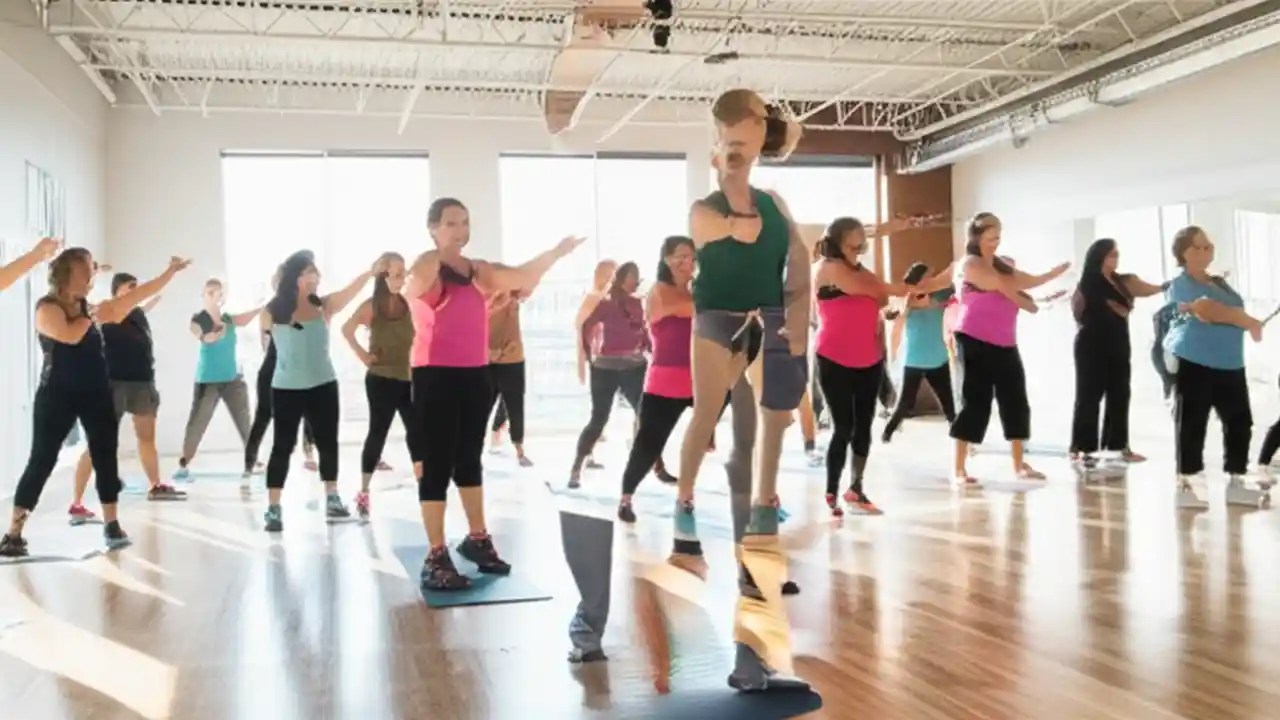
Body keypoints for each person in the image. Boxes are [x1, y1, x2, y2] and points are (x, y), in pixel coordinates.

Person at [406, 197, 582, 590]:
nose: (459, 230)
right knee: (435, 466)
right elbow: (412, 284)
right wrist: (436, 253)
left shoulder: (478, 272)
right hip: (434, 374)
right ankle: (436, 555)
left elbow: (520, 275)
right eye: (450, 223)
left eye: (464, 223)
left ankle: (477, 538)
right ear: (433, 227)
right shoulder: (428, 267)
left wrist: (556, 252)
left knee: (469, 459)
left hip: (474, 373)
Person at [1, 249, 188, 557]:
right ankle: (13, 533)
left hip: (96, 392)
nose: (92, 276)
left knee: (105, 456)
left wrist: (169, 273)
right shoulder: (46, 308)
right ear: (69, 274)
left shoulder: (92, 310)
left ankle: (111, 524)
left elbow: (136, 297)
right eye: (87, 270)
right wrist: (93, 314)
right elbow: (69, 334)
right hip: (55, 395)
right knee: (42, 460)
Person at [813, 218, 951, 516]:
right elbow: (880, 291)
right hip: (834, 358)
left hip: (869, 358)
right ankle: (831, 491)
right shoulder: (827, 268)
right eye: (854, 243)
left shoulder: (862, 271)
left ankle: (856, 488)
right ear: (837, 243)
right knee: (843, 427)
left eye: (862, 242)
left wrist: (899, 288)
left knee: (864, 426)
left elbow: (884, 295)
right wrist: (895, 288)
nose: (860, 248)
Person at [949, 213, 1070, 486]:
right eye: (991, 237)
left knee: (1015, 399)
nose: (995, 242)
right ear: (977, 237)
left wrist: (1050, 276)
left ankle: (1019, 463)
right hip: (974, 338)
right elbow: (1002, 286)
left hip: (1005, 341)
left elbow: (1024, 280)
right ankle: (959, 467)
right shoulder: (969, 265)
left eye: (999, 237)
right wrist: (1029, 302)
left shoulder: (1004, 264)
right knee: (976, 401)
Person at [260, 251, 373, 531]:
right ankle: (273, 507)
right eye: (310, 271)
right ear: (296, 277)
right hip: (286, 388)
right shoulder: (272, 311)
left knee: (327, 443)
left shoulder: (324, 306)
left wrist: (371, 273)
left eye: (317, 272)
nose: (317, 276)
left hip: (323, 384)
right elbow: (268, 350)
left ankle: (332, 498)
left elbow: (350, 291)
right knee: (282, 447)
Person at [617, 236, 725, 522]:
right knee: (648, 444)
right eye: (679, 256)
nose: (686, 262)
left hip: (698, 377)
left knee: (733, 389)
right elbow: (693, 307)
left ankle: (707, 435)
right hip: (665, 380)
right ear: (666, 259)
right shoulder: (660, 291)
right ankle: (626, 498)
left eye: (691, 256)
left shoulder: (696, 290)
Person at [1163, 226, 1268, 509]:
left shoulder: (1220, 283)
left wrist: (1244, 319)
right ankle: (1186, 483)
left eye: (1207, 246)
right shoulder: (1181, 284)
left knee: (1240, 423)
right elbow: (1206, 310)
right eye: (1197, 247)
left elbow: (1229, 310)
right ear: (1183, 253)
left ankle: (1236, 481)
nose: (1205, 251)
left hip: (1231, 362)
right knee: (1192, 423)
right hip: (1196, 361)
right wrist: (1242, 320)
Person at [69, 274, 181, 522]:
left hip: (142, 382)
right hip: (112, 384)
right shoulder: (104, 311)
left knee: (147, 438)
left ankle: (155, 485)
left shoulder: (139, 313)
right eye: (130, 287)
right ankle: (76, 502)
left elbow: (150, 298)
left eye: (136, 287)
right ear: (117, 290)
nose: (135, 290)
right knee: (98, 443)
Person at [1068, 238, 1166, 468]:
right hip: (1091, 344)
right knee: (1089, 395)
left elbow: (1144, 290)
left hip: (1118, 343)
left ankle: (1118, 445)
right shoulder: (1090, 281)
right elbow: (1089, 310)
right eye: (1111, 253)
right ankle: (1083, 448)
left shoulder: (1121, 282)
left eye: (1117, 253)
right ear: (1099, 256)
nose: (1116, 257)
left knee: (1120, 393)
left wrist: (1166, 286)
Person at [342, 251, 424, 521]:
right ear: (383, 275)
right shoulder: (371, 306)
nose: (402, 276)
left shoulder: (407, 303)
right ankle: (364, 491)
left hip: (406, 378)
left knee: (417, 433)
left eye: (403, 271)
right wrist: (364, 356)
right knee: (378, 432)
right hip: (380, 379)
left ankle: (425, 486)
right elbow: (347, 328)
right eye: (396, 272)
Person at [569, 262, 650, 488]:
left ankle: (644, 464)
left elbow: (642, 329)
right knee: (599, 418)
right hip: (605, 367)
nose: (635, 281)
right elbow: (584, 325)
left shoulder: (637, 302)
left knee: (645, 414)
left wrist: (648, 346)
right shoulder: (605, 303)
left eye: (637, 276)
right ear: (621, 278)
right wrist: (588, 354)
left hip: (633, 365)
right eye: (631, 276)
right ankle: (577, 466)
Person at [173, 279, 261, 480]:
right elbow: (198, 334)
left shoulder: (229, 319)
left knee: (245, 422)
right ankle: (184, 463)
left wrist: (264, 307)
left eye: (218, 293)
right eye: (210, 292)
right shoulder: (199, 319)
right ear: (203, 295)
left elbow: (245, 319)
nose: (215, 296)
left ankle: (253, 461)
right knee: (198, 423)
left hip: (232, 379)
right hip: (208, 381)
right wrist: (207, 337)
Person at [243, 269, 318, 483]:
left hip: (297, 370)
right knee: (264, 416)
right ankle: (249, 464)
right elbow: (270, 333)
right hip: (273, 370)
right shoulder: (273, 307)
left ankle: (309, 453)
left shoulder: (308, 305)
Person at [883, 262, 958, 443]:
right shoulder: (905, 299)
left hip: (938, 358)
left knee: (948, 403)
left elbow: (956, 286)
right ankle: (887, 433)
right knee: (904, 403)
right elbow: (890, 316)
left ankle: (960, 437)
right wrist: (907, 306)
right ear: (918, 279)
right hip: (914, 360)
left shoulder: (940, 295)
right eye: (928, 276)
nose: (931, 280)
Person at [573, 259, 618, 467]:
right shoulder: (593, 297)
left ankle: (589, 453)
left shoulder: (612, 299)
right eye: (607, 273)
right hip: (597, 359)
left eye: (614, 273)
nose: (611, 277)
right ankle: (586, 456)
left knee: (602, 412)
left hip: (612, 358)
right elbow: (578, 323)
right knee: (598, 413)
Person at [486, 289, 533, 466]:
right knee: (480, 409)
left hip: (512, 358)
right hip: (487, 358)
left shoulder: (513, 293)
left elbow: (528, 288)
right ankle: (471, 450)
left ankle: (519, 448)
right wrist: (487, 352)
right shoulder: (479, 298)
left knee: (514, 405)